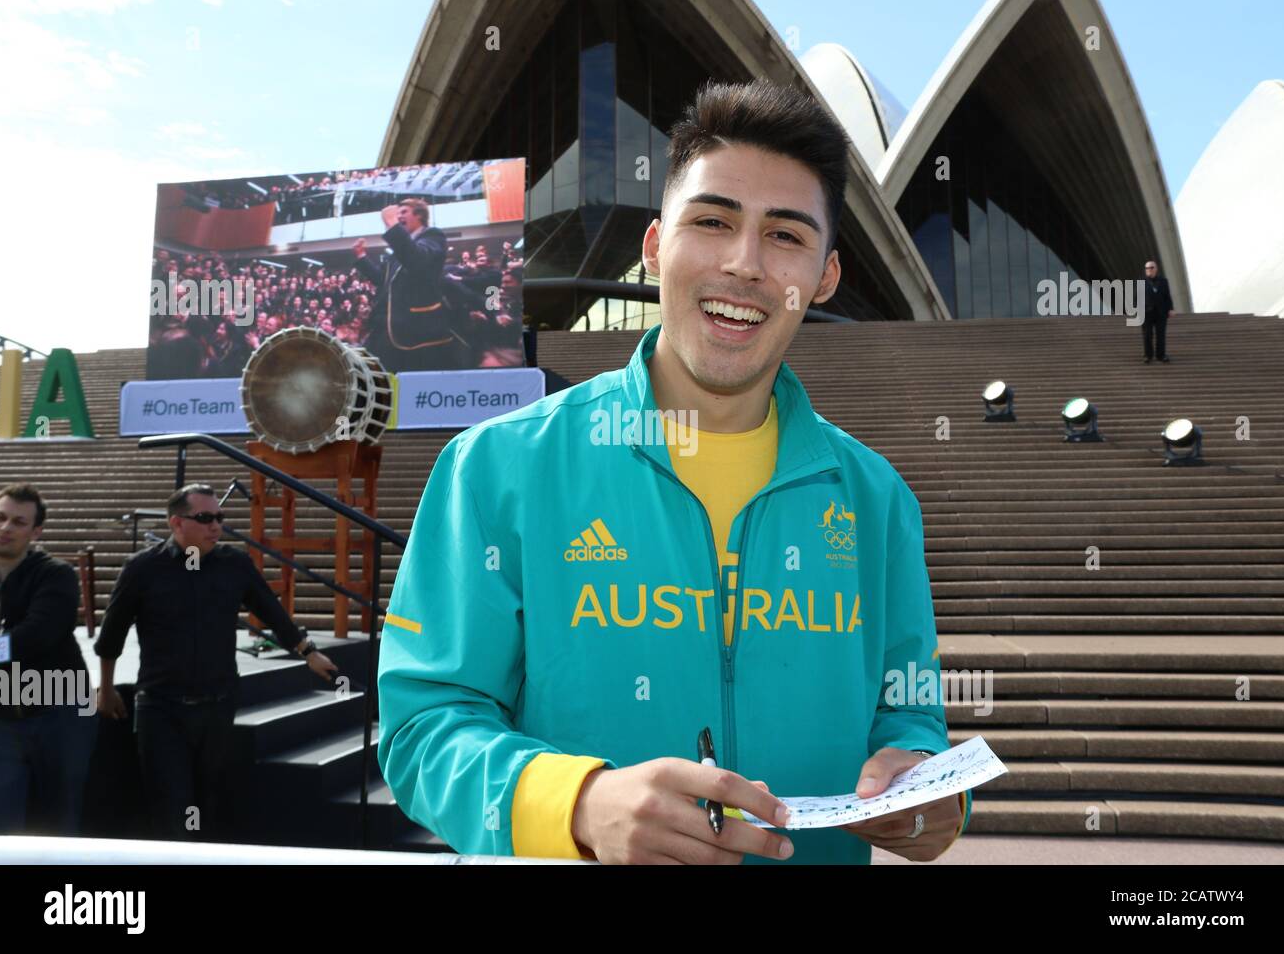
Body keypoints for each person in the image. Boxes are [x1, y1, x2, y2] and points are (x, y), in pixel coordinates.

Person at [377, 79, 971, 864]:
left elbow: (910, 717)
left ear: (825, 278)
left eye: (786, 236)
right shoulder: (496, 467)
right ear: (656, 246)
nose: (744, 263)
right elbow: (423, 728)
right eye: (713, 222)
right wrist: (579, 805)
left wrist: (925, 795)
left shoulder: (875, 498)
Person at [94, 484, 338, 840]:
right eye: (205, 518)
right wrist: (106, 687)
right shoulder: (143, 569)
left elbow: (271, 612)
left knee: (213, 803)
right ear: (176, 523)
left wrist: (309, 652)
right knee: (171, 808)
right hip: (161, 709)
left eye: (219, 518)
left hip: (218, 707)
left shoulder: (234, 564)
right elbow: (112, 633)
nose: (215, 526)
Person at [0, 484, 97, 835]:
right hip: (1, 717)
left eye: (18, 522)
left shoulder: (56, 574)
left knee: (60, 821)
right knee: (2, 827)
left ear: (36, 531)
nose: (5, 527)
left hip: (61, 713)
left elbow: (37, 635)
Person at [352, 198, 468, 371]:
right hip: (389, 325)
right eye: (397, 213)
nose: (398, 216)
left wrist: (392, 224)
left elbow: (418, 261)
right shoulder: (399, 251)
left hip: (418, 329)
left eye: (403, 212)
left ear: (419, 215)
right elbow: (383, 281)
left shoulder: (433, 236)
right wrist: (362, 257)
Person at [1142, 259, 1175, 363]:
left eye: (1151, 267)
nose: (1149, 270)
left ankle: (1161, 355)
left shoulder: (1163, 281)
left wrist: (1170, 309)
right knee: (1147, 335)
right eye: (1147, 268)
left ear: (1156, 269)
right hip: (1146, 312)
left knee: (1161, 334)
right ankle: (1148, 356)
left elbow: (1167, 296)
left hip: (1161, 312)